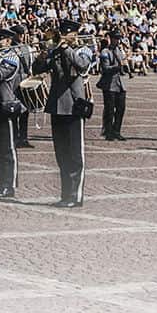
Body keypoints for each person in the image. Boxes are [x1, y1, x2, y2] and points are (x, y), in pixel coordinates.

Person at [45, 20, 94, 208]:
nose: (66, 37)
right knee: (62, 154)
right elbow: (39, 69)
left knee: (75, 154)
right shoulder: (56, 51)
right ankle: (65, 194)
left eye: (69, 33)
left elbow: (82, 66)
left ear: (75, 34)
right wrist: (44, 55)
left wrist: (66, 48)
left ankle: (75, 195)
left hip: (74, 106)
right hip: (57, 106)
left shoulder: (84, 50)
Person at [0, 25, 24, 200]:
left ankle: (10, 184)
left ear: (8, 41)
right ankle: (2, 181)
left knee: (7, 148)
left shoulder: (11, 58)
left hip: (5, 106)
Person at [96, 29, 128, 141]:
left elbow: (123, 63)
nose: (117, 41)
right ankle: (108, 131)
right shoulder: (105, 52)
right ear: (111, 38)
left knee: (121, 108)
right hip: (109, 84)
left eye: (118, 39)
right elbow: (105, 68)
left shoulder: (119, 51)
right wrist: (118, 67)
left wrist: (125, 67)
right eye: (115, 38)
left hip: (120, 84)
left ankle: (116, 131)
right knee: (109, 109)